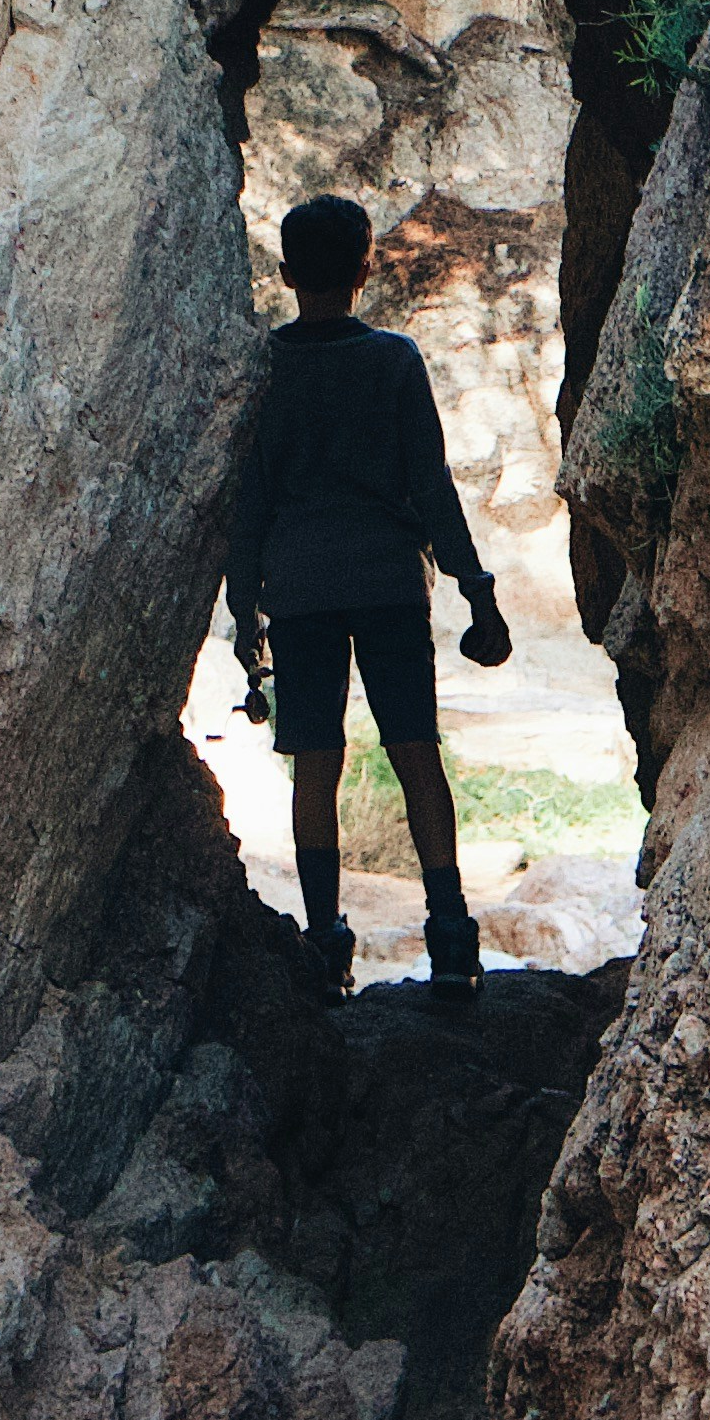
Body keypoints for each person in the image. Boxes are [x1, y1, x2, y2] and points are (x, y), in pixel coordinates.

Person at [227, 193, 510, 996]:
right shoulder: (393, 361)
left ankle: (323, 942)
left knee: (313, 766)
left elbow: (247, 501)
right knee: (415, 750)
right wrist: (476, 588)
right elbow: (431, 485)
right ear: (364, 271)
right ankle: (450, 936)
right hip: (388, 584)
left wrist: (243, 606)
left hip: (301, 589)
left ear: (285, 275)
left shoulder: (264, 371)